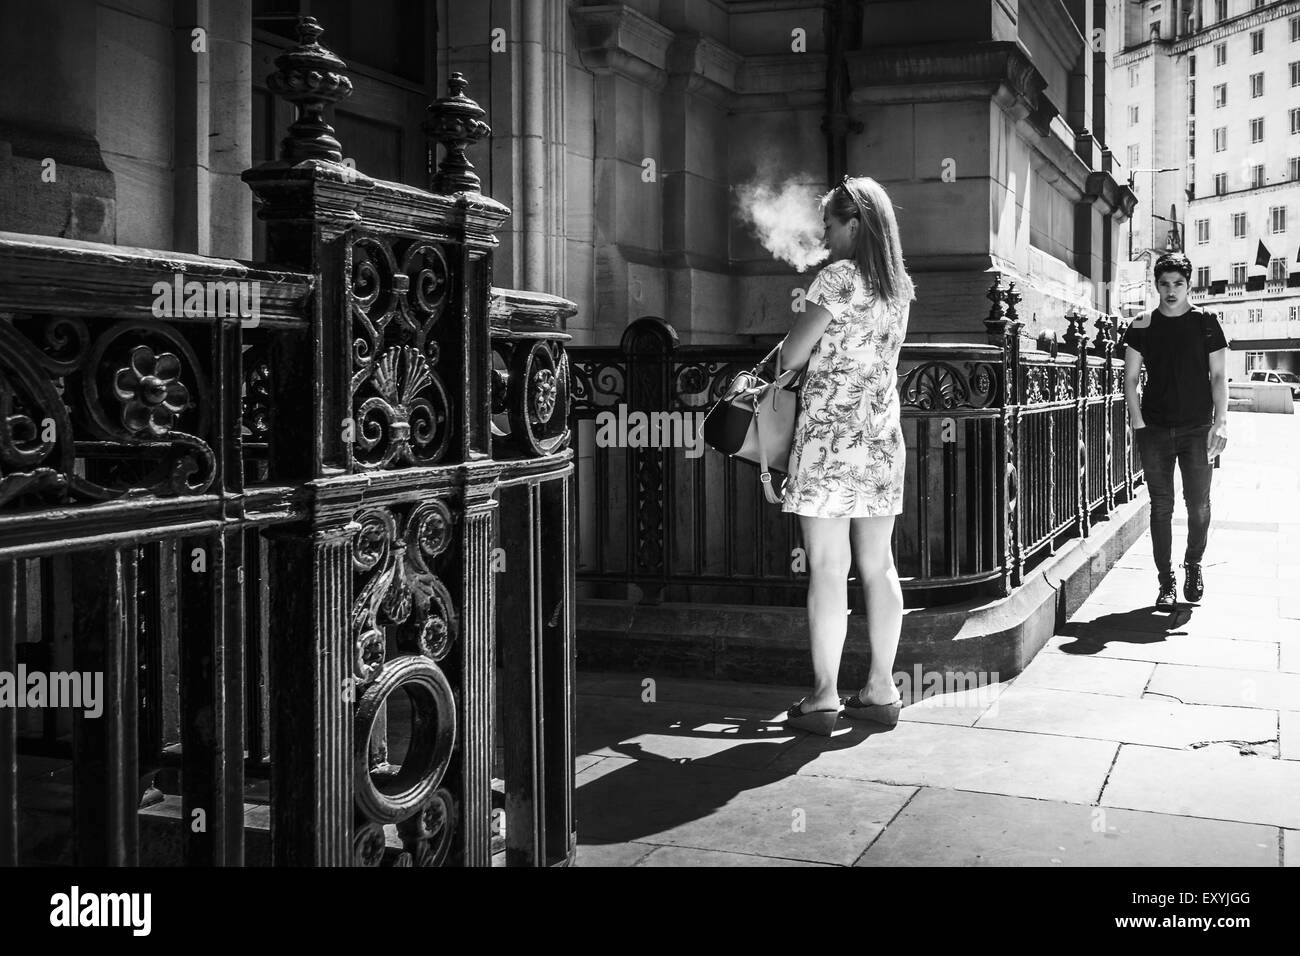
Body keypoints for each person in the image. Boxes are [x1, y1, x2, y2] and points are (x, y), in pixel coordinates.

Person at [774, 175, 915, 735]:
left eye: (830, 223)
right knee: (879, 566)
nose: (825, 233)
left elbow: (792, 352)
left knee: (829, 569)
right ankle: (881, 688)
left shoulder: (836, 279)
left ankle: (825, 696)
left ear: (853, 224)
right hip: (880, 442)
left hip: (830, 442)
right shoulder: (898, 286)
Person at [1122, 251, 1228, 609]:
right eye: (1164, 284)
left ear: (1188, 285)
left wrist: (1221, 421)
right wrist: (1138, 421)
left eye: (1178, 284)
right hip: (1155, 429)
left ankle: (1193, 565)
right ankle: (1165, 581)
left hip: (1198, 428)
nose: (1171, 290)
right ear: (1155, 285)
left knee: (1198, 505)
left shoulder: (1207, 322)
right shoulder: (1141, 324)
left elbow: (1218, 377)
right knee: (1161, 507)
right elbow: (1131, 378)